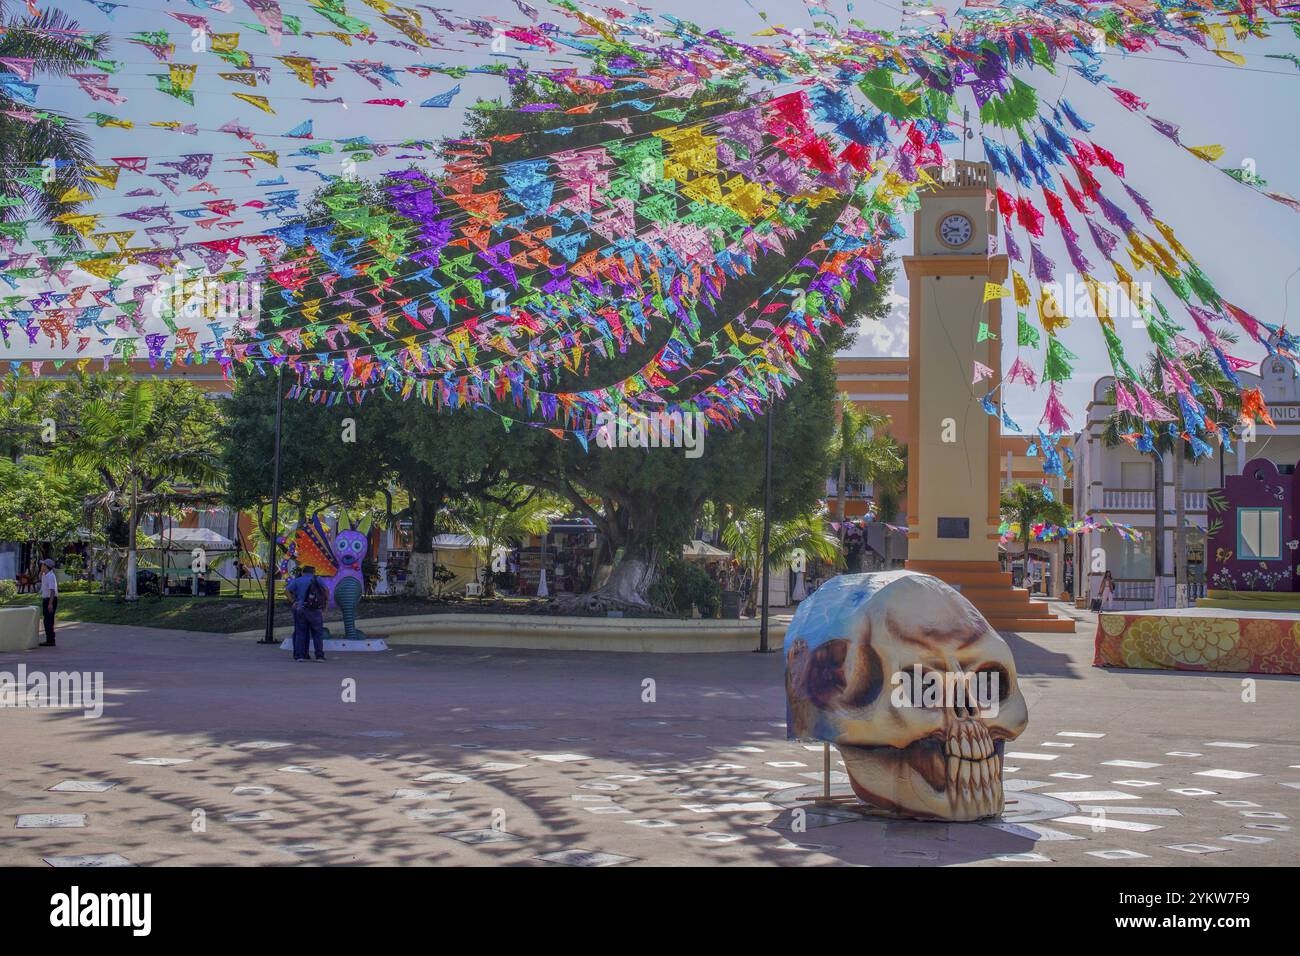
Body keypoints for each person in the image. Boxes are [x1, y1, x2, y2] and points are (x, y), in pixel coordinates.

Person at [285, 565, 328, 662]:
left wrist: (293, 601)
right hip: (315, 610)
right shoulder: (318, 579)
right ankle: (319, 656)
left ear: (302, 572)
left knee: (300, 632)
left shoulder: (298, 580)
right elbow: (326, 591)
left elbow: (287, 590)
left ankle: (300, 656)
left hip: (301, 608)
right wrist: (325, 605)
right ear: (313, 572)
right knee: (317, 633)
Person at [38, 558, 58, 646]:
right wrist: (41, 571)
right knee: (46, 620)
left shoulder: (51, 576)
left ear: (46, 566)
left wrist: (50, 604)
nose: (41, 566)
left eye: (43, 565)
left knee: (49, 620)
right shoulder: (44, 574)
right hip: (46, 599)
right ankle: (49, 639)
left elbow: (53, 591)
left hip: (51, 600)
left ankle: (51, 640)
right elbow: (39, 578)